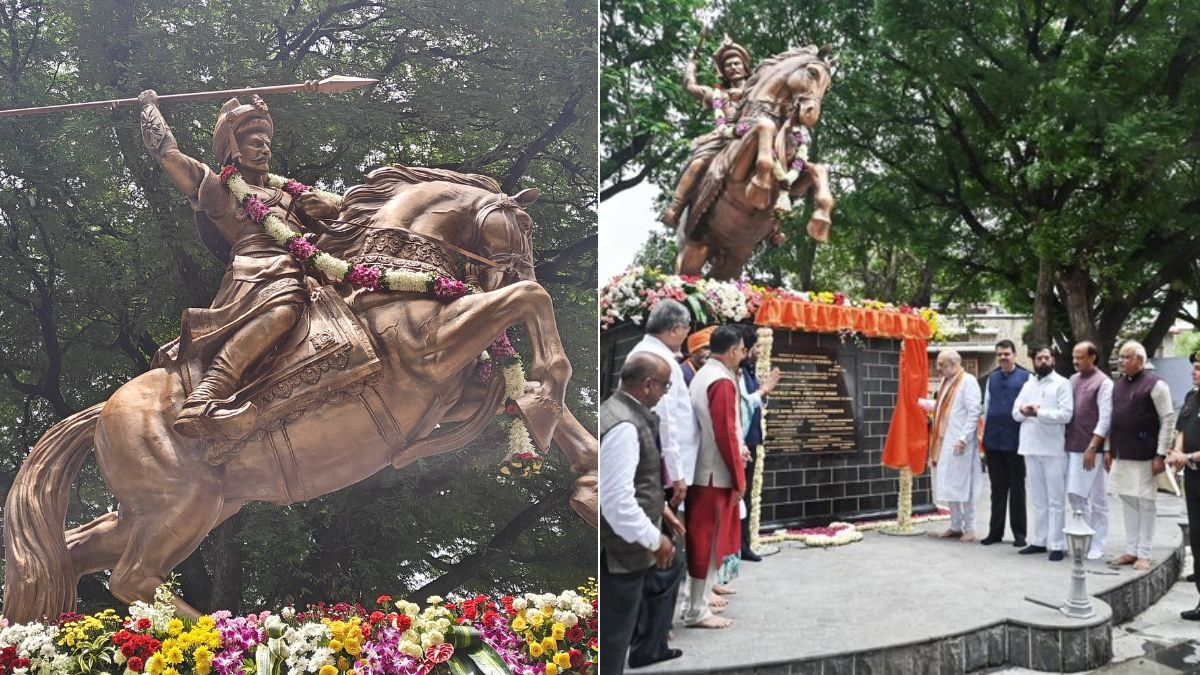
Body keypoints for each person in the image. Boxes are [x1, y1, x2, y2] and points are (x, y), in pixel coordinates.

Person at [138, 89, 337, 441]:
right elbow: (168, 155)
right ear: (234, 149)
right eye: (255, 142)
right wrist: (149, 108)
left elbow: (328, 239)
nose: (265, 149)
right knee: (285, 307)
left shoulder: (292, 196)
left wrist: (327, 211)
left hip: (304, 272)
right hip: (256, 275)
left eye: (267, 143)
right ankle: (207, 393)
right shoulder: (221, 190)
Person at [599, 352, 686, 674]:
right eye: (665, 386)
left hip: (634, 540)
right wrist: (655, 540)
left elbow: (637, 479)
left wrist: (662, 510)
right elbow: (617, 501)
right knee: (612, 638)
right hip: (622, 549)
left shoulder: (627, 413)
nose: (666, 393)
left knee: (671, 567)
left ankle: (650, 646)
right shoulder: (623, 424)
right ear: (648, 385)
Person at [682, 326, 746, 629]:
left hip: (704, 470)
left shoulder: (704, 374)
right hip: (713, 473)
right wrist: (739, 477)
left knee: (703, 541)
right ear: (732, 350)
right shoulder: (720, 380)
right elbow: (727, 434)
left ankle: (698, 601)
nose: (744, 355)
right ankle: (696, 608)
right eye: (743, 350)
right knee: (706, 542)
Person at [660, 38, 752, 228]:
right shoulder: (716, 93)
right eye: (728, 65)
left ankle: (777, 224)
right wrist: (690, 66)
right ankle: (675, 209)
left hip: (754, 134)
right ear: (724, 71)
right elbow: (690, 87)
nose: (733, 67)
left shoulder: (757, 91)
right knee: (698, 163)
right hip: (723, 136)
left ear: (744, 67)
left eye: (736, 63)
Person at [1106, 340, 1174, 571]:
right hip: (1121, 454)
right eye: (1121, 357)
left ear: (1140, 360)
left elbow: (1167, 419)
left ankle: (1144, 553)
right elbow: (1111, 420)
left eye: (1126, 357)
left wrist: (1161, 455)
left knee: (1145, 503)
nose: (1121, 361)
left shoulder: (1157, 385)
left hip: (1146, 456)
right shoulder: (1118, 385)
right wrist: (1108, 449)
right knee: (1128, 501)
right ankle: (1131, 550)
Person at [628, 300, 698, 508]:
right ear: (676, 329)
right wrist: (676, 474)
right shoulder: (658, 360)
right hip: (662, 462)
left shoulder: (647, 352)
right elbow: (665, 419)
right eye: (687, 329)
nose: (687, 334)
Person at [1012, 345, 1074, 561]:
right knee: (1038, 498)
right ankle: (1038, 540)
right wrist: (1023, 412)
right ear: (1033, 361)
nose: (1043, 361)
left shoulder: (1062, 383)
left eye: (1047, 358)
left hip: (1053, 449)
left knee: (1056, 499)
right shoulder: (1028, 384)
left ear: (1053, 360)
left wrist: (1039, 413)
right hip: (1030, 446)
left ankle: (1057, 544)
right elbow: (1015, 412)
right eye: (1039, 358)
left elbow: (1066, 415)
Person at [980, 340, 1032, 547]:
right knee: (997, 489)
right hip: (993, 440)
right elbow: (986, 407)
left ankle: (1019, 534)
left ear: (1015, 355)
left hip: (1016, 441)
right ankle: (995, 532)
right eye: (1000, 354)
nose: (1003, 357)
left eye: (1007, 354)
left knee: (1017, 488)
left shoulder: (1027, 378)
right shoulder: (992, 378)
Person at [735, 325, 780, 561]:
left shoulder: (748, 370)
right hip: (742, 442)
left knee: (747, 494)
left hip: (750, 441)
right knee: (741, 495)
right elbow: (743, 405)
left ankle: (744, 544)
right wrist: (764, 390)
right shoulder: (738, 373)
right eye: (755, 347)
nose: (759, 351)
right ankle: (740, 546)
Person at [1064, 341, 1113, 560]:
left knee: (1098, 498)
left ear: (1092, 358)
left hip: (1094, 450)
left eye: (1080, 357)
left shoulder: (1104, 383)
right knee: (1076, 495)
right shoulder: (1072, 380)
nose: (1075, 361)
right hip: (1072, 447)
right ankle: (1081, 538)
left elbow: (1105, 418)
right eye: (1074, 357)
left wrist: (1093, 446)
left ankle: (1098, 543)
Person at [928, 350, 983, 541]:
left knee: (964, 486)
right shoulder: (946, 381)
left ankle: (970, 528)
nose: (938, 368)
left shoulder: (968, 381)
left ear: (953, 363)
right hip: (945, 441)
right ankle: (955, 525)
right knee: (949, 483)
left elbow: (974, 411)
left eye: (941, 364)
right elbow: (940, 406)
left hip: (961, 443)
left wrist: (963, 438)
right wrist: (918, 403)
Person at [1167, 353, 1200, 620]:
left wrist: (1186, 457)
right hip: (1193, 476)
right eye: (1194, 368)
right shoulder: (1191, 396)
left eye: (1199, 369)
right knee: (1197, 534)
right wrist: (1177, 454)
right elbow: (1181, 430)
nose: (1194, 372)